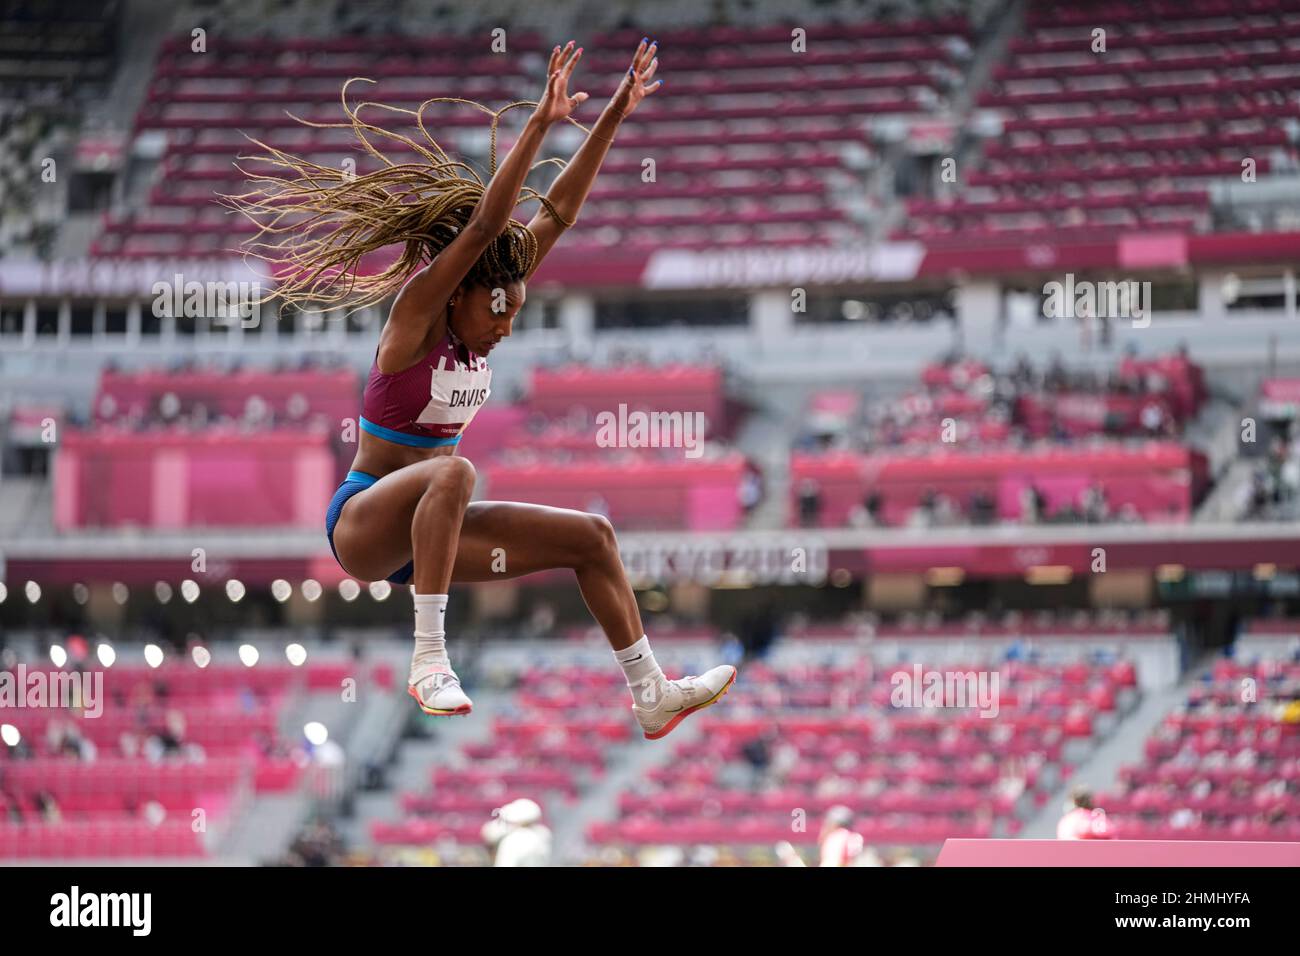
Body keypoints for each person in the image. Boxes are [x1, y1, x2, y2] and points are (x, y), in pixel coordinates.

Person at [227, 39, 734, 738]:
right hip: (366, 525)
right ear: (460, 292)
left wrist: (614, 112)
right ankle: (428, 657)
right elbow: (489, 226)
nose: (505, 326)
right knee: (453, 470)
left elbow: (554, 214)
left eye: (517, 313)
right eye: (498, 310)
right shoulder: (413, 319)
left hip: (436, 534)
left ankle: (650, 691)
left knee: (593, 536)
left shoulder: (489, 300)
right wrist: (540, 122)